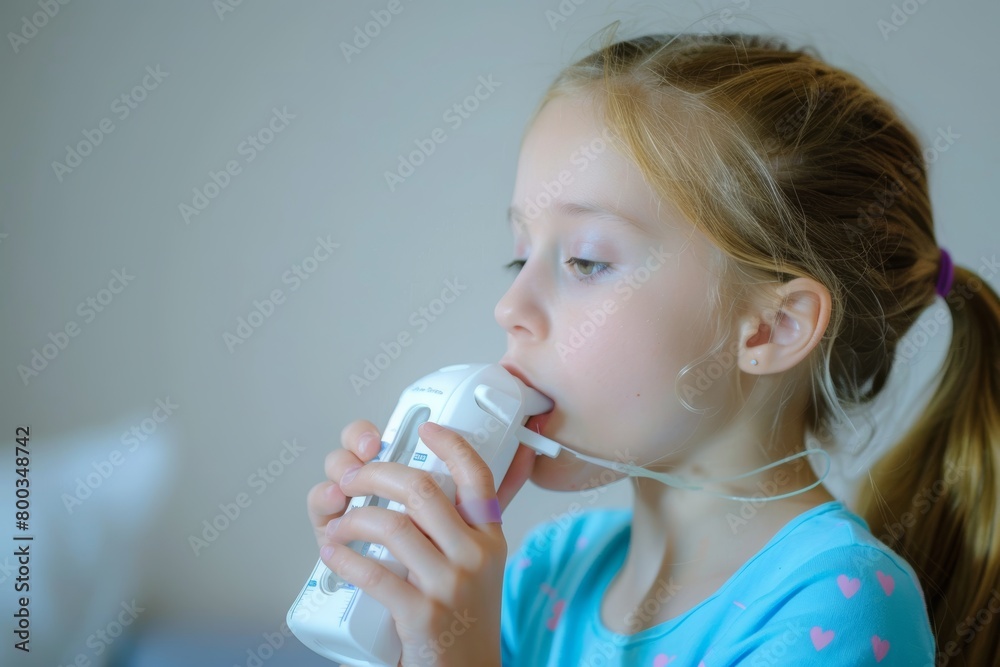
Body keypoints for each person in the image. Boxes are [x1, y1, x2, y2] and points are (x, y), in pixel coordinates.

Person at [306, 25, 1000, 666]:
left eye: (585, 260)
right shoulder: (550, 568)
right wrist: (393, 621)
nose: (510, 307)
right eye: (521, 258)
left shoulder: (838, 602)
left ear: (771, 327)